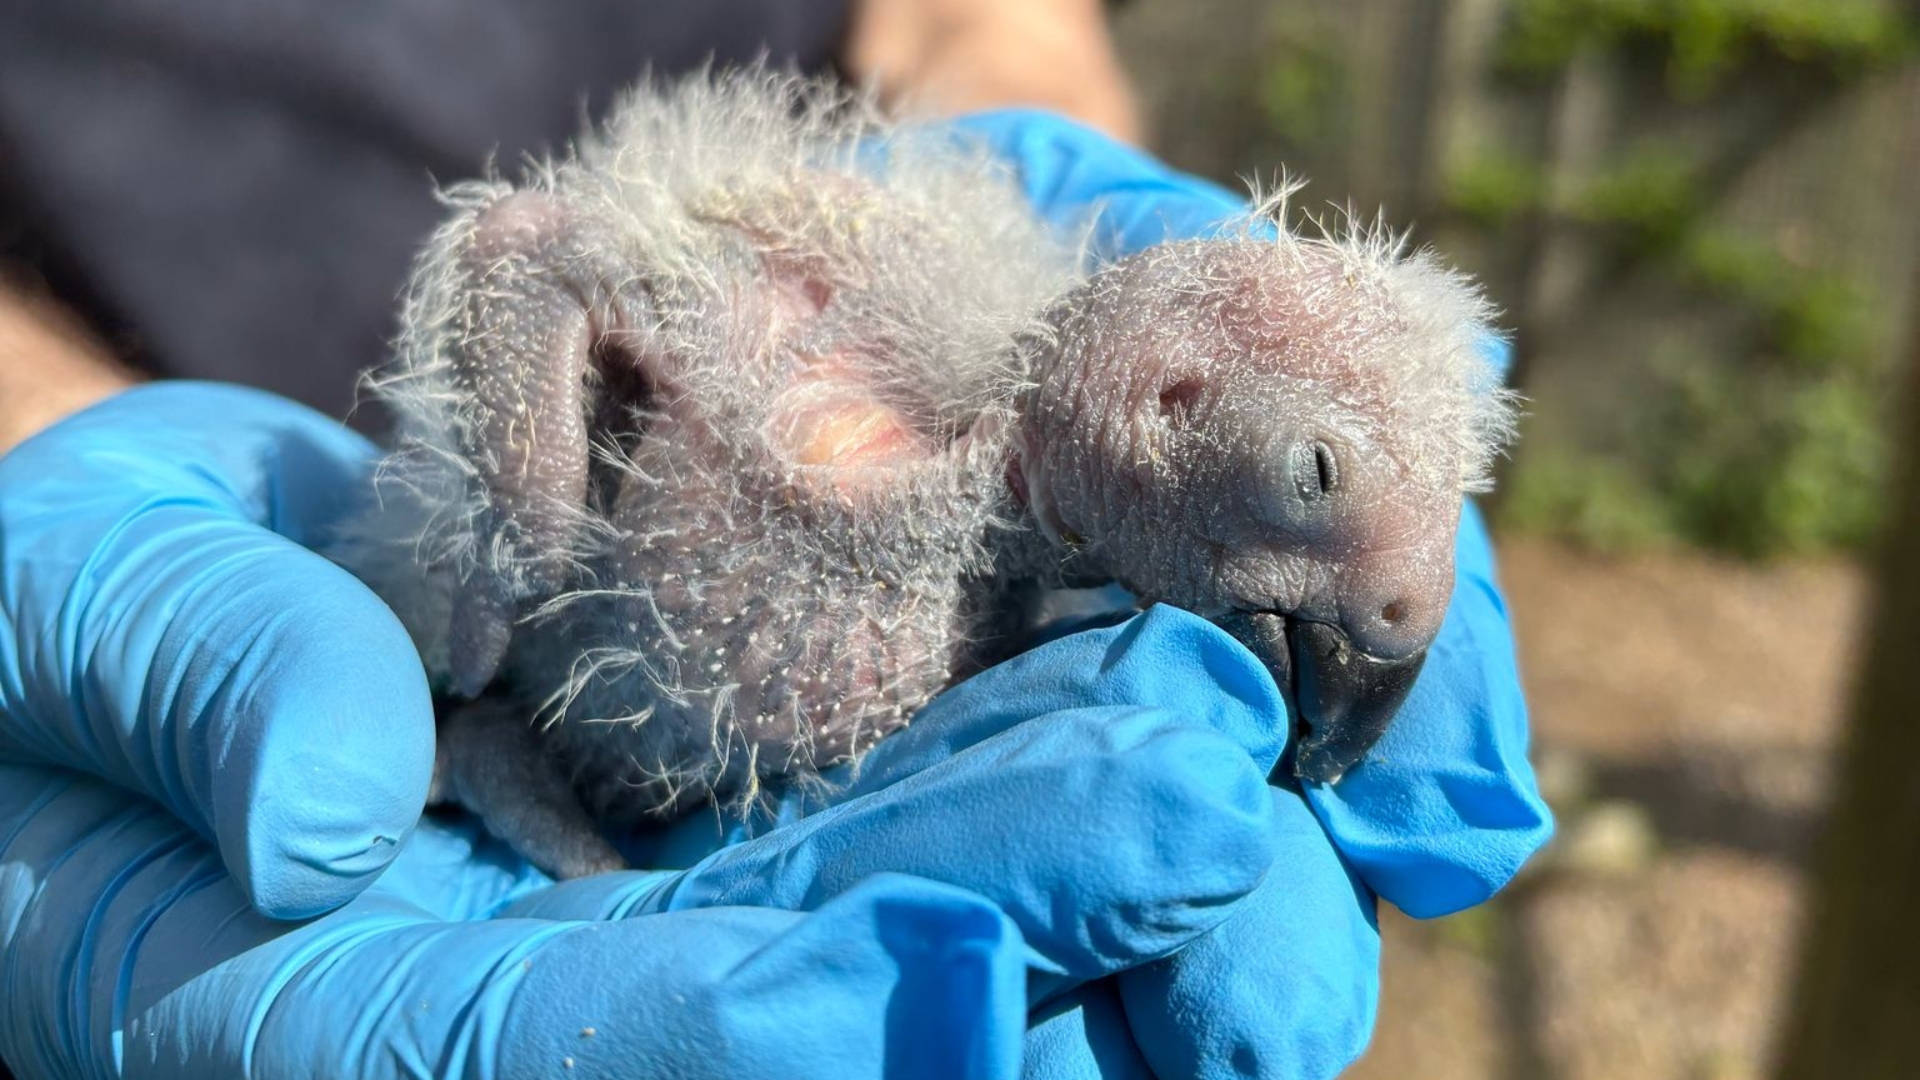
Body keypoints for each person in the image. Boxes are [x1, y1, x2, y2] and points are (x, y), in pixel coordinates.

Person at [0, 2, 1551, 1077]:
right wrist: (485, 541)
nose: (1371, 616)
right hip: (290, 491)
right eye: (1315, 483)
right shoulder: (810, 345)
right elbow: (532, 250)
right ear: (1171, 393)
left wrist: (1018, 90)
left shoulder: (1051, 555)